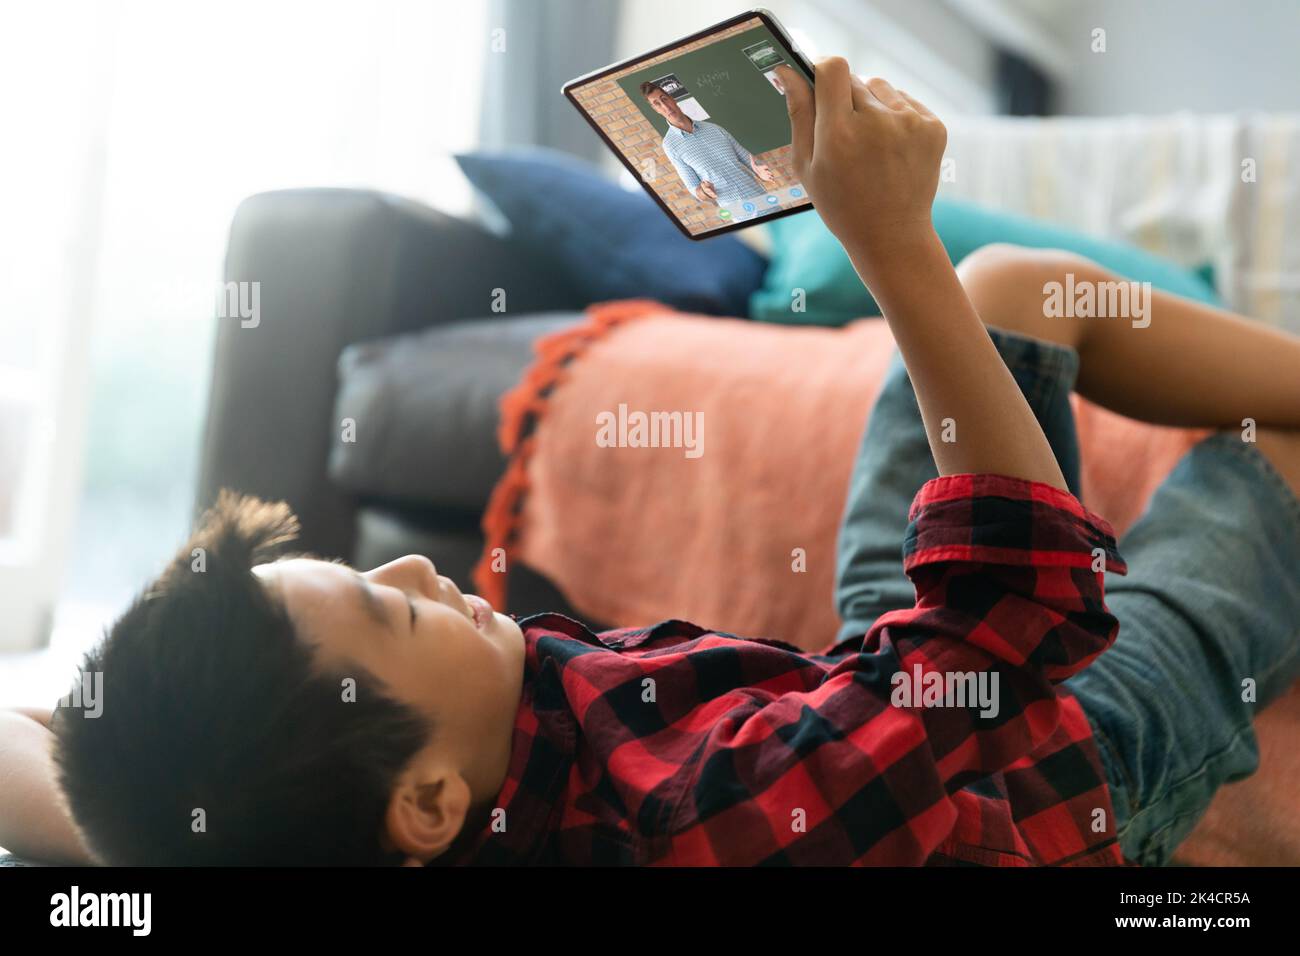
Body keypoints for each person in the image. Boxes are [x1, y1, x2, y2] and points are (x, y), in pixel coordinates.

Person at [2, 58, 1299, 866]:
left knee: (1007, 289)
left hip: (871, 698)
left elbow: (59, 784)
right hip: (1054, 760)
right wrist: (886, 241)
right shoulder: (704, 827)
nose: (412, 561)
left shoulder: (317, 812)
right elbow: (1018, 618)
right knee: (1268, 468)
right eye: (389, 603)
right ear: (429, 806)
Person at [640, 80, 775, 206]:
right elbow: (694, 189)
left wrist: (761, 171)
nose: (665, 106)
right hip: (738, 211)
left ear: (672, 99)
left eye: (664, 99)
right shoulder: (670, 145)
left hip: (762, 199)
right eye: (657, 104)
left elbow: (747, 158)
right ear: (655, 110)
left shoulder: (714, 128)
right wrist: (704, 191)